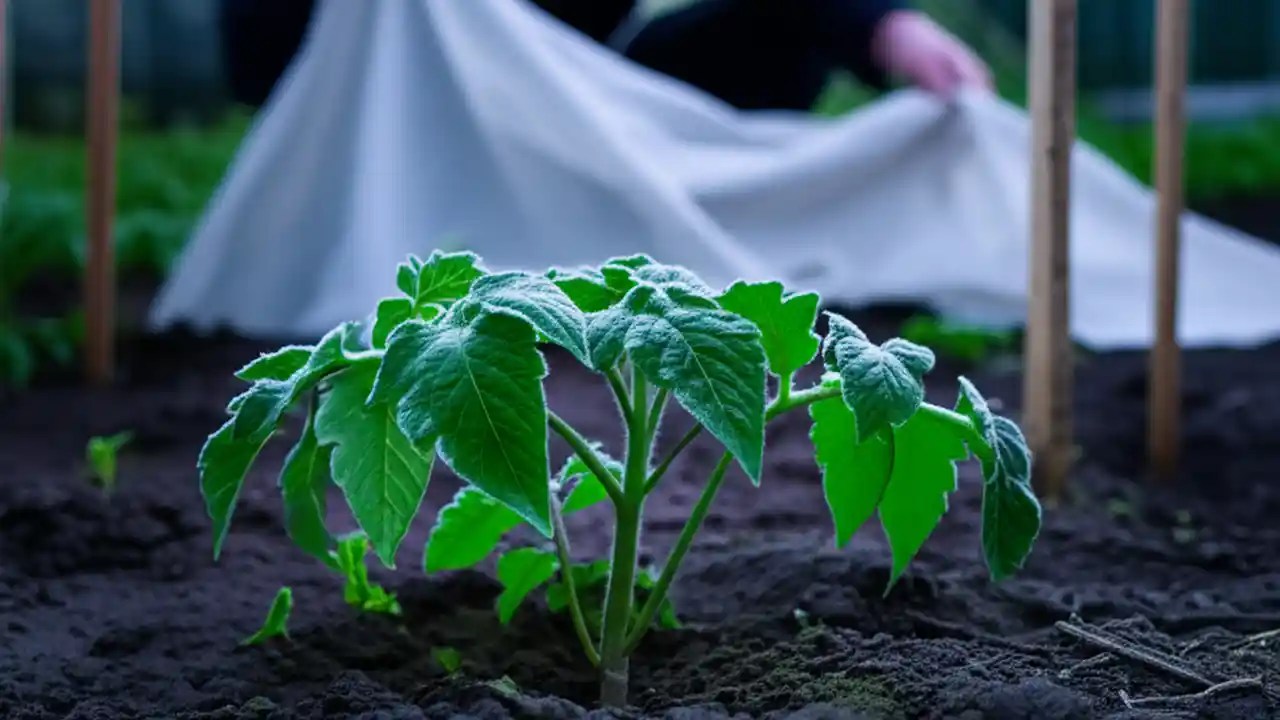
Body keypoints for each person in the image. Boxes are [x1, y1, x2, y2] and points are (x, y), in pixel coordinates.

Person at [219, 0, 992, 112]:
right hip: (394, 111)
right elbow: (261, 60)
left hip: (574, 96)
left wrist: (882, 24)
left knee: (771, 38)